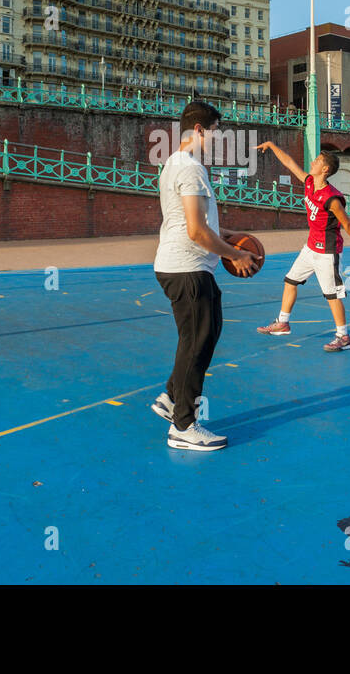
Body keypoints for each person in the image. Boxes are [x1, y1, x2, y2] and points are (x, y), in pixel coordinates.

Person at [151, 100, 256, 452]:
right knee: (198, 342)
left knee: (202, 337)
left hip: (185, 266)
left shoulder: (174, 165)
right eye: (214, 132)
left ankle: (171, 398)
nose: (215, 139)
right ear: (199, 130)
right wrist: (236, 254)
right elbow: (195, 231)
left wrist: (223, 234)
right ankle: (184, 426)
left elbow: (192, 221)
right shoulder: (191, 168)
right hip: (187, 268)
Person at [255, 143, 350, 351]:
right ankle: (283, 323)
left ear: (325, 169)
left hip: (327, 252)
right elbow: (289, 163)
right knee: (290, 281)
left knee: (332, 296)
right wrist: (272, 146)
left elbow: (347, 224)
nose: (312, 162)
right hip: (310, 247)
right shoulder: (310, 182)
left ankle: (343, 337)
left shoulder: (332, 198)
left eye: (318, 161)